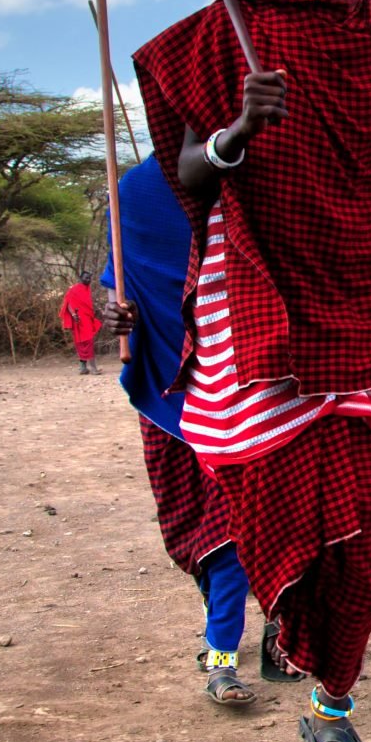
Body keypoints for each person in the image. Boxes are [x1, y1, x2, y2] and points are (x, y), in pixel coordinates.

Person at [133, 0, 371, 742]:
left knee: (354, 546)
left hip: (361, 311)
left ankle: (330, 707)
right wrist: (238, 131)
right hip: (262, 307)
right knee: (269, 501)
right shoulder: (233, 33)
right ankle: (272, 616)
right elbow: (186, 169)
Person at [100, 156, 286, 707]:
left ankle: (223, 659)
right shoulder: (134, 191)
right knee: (205, 537)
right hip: (170, 393)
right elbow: (120, 285)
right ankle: (229, 634)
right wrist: (116, 316)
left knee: (232, 539)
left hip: (249, 387)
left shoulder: (260, 175)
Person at [59, 271, 102, 375]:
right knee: (83, 342)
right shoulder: (74, 289)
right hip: (78, 320)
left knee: (87, 341)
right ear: (81, 278)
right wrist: (74, 315)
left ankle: (85, 368)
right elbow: (68, 304)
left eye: (89, 278)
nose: (88, 280)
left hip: (87, 319)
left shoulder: (87, 289)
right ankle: (91, 368)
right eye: (86, 278)